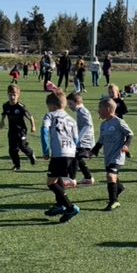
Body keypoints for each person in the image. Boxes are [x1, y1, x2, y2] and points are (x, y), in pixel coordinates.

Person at [39, 92, 81, 222]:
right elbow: (76, 139)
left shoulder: (50, 115)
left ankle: (70, 207)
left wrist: (46, 150)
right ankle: (60, 205)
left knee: (51, 182)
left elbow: (44, 131)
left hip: (59, 154)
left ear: (51, 105)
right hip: (71, 153)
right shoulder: (71, 119)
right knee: (58, 179)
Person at [91, 96, 133, 211]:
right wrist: (93, 151)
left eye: (100, 109)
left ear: (108, 110)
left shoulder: (119, 122)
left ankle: (114, 202)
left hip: (117, 155)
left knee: (110, 176)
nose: (98, 111)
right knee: (113, 177)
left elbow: (130, 134)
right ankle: (119, 188)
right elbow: (101, 141)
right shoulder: (103, 125)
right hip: (108, 156)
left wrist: (126, 145)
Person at [0, 84, 37, 171]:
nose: (12, 97)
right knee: (12, 150)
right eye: (10, 94)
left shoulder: (21, 107)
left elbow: (30, 117)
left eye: (14, 94)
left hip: (21, 131)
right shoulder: (6, 105)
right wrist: (2, 121)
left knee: (22, 146)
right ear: (7, 94)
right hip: (11, 131)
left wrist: (33, 126)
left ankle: (31, 154)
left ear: (18, 95)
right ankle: (17, 165)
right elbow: (4, 114)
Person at [66, 91, 96, 185]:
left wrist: (79, 138)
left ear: (77, 102)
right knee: (78, 158)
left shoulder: (83, 111)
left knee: (74, 156)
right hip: (83, 140)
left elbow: (88, 125)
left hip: (85, 141)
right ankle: (88, 178)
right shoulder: (80, 111)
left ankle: (72, 179)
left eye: (70, 104)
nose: (69, 106)